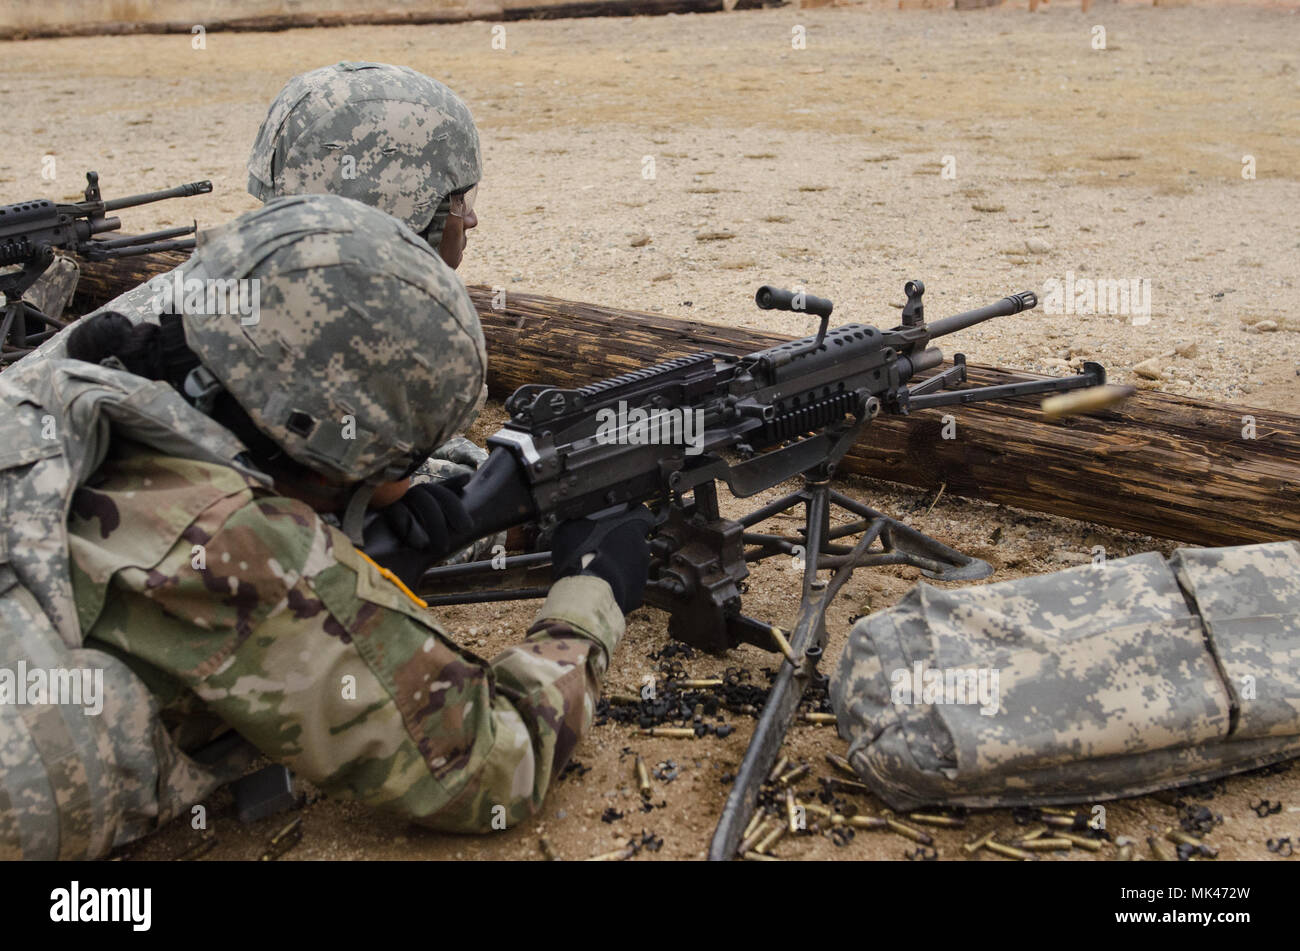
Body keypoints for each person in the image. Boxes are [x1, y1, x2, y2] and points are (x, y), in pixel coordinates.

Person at [0, 195, 649, 859]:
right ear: (330, 450)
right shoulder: (232, 539)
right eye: (403, 453)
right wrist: (593, 592)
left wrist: (344, 532)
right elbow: (491, 765)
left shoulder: (53, 395)